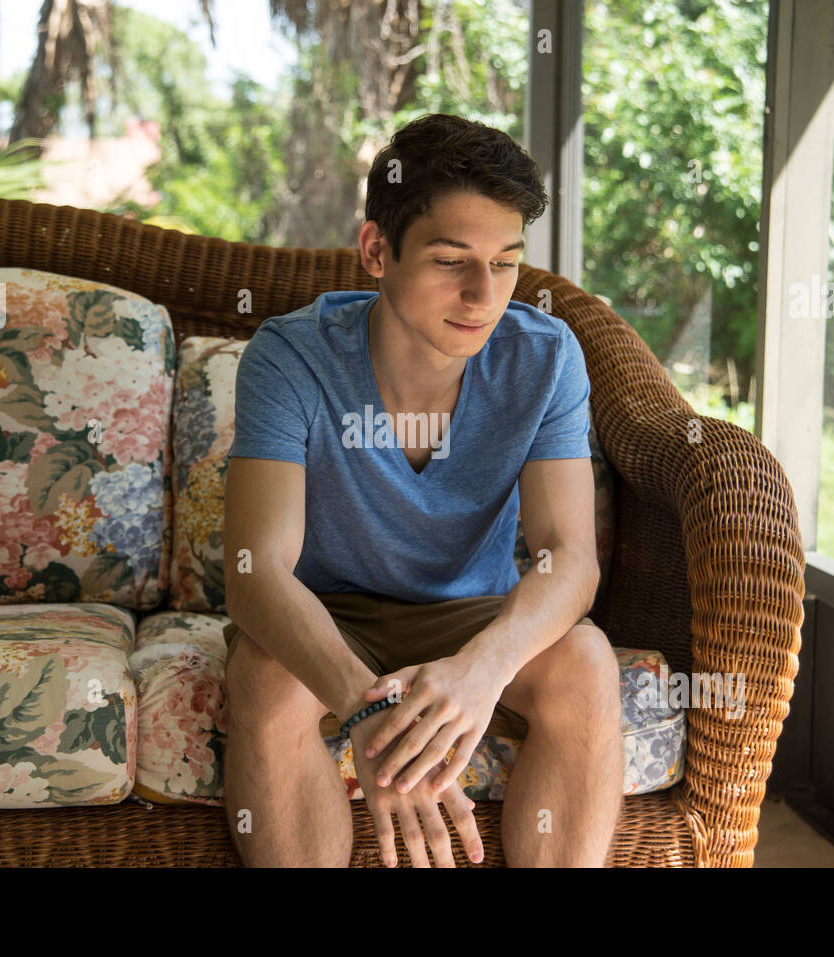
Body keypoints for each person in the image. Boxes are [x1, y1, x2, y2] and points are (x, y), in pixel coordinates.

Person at [221, 112, 622, 868]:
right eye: (450, 260)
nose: (484, 293)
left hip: (470, 615)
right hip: (329, 616)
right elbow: (257, 575)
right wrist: (372, 711)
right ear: (377, 250)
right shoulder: (291, 357)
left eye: (506, 262)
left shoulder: (546, 358)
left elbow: (569, 556)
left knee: (588, 661)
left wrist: (484, 668)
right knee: (266, 672)